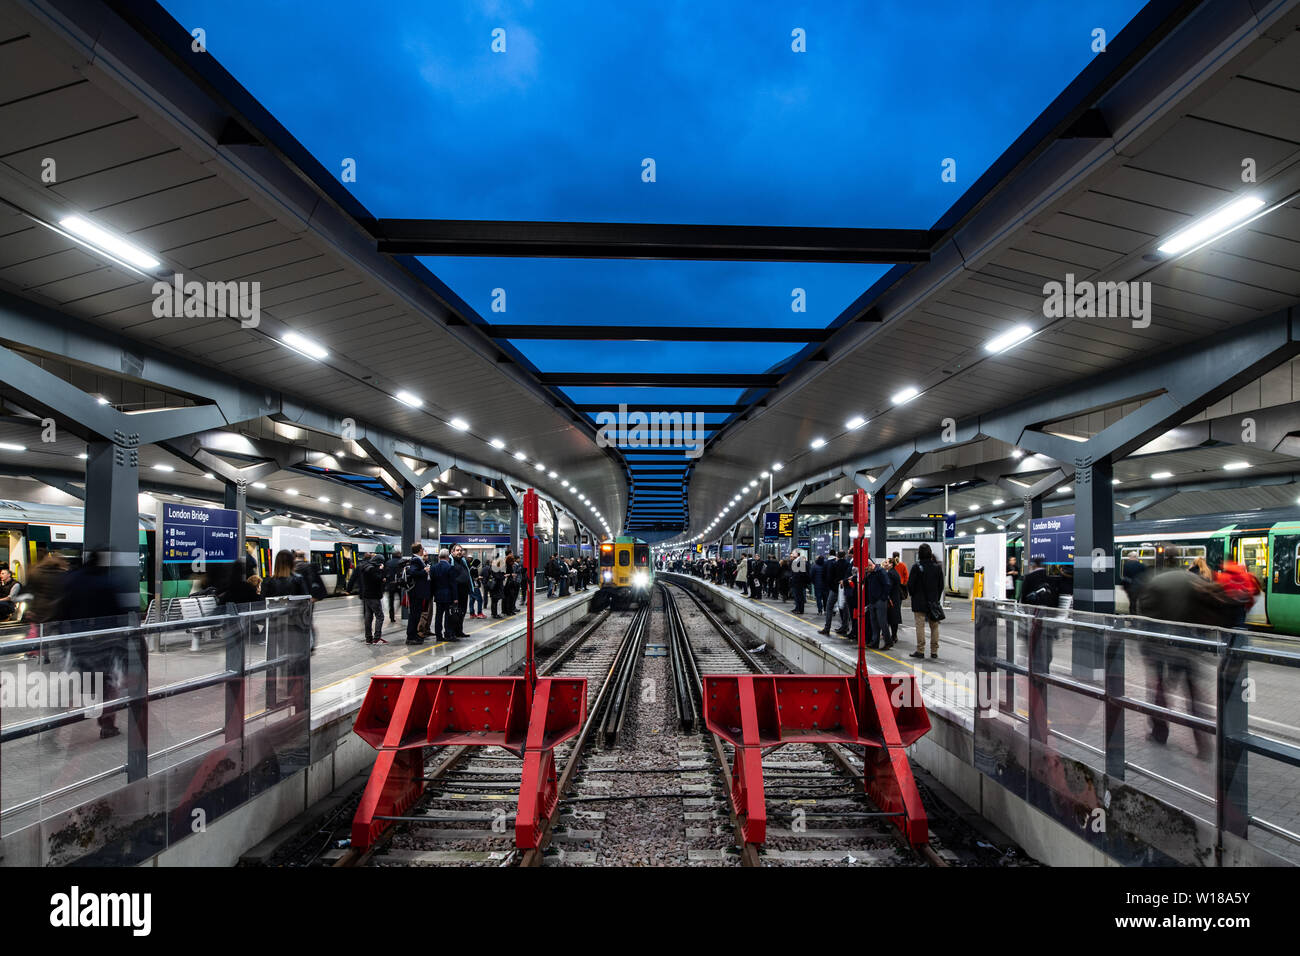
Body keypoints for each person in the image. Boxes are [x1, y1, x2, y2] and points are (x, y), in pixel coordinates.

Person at [908, 543, 944, 659]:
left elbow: (911, 585)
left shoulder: (916, 567)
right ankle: (934, 651)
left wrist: (914, 595)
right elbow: (941, 585)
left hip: (919, 602)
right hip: (933, 602)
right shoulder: (937, 567)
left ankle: (920, 650)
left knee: (920, 626)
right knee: (934, 627)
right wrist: (936, 598)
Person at [347, 552, 389, 644]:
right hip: (374, 595)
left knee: (368, 617)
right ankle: (377, 637)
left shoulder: (363, 567)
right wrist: (381, 572)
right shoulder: (372, 569)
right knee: (380, 616)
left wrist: (348, 589)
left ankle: (368, 638)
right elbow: (378, 579)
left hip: (366, 595)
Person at [404, 544, 430, 645]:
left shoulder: (418, 559)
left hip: (417, 592)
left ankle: (414, 635)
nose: (423, 550)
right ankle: (410, 636)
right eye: (422, 549)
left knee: (416, 614)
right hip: (416, 592)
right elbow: (413, 572)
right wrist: (424, 571)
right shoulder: (416, 560)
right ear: (420, 550)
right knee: (414, 614)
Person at [428, 549, 456, 642]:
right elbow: (453, 584)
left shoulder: (433, 568)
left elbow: (431, 583)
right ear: (448, 557)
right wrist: (455, 598)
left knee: (438, 616)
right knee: (448, 616)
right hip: (448, 596)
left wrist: (432, 594)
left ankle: (438, 635)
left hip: (438, 595)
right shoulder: (450, 568)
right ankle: (447, 634)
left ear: (439, 557)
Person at [1120, 550, 1149, 615]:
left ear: (1131, 557)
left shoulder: (1126, 565)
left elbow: (1125, 576)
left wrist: (1123, 586)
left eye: (1129, 557)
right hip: (1141, 587)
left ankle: (1133, 618)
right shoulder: (1142, 566)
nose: (1129, 558)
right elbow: (1145, 576)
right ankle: (1142, 615)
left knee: (1132, 603)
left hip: (1131, 587)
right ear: (1136, 557)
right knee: (1141, 602)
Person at [884, 557, 903, 648]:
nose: (885, 564)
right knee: (893, 617)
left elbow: (889, 586)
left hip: (892, 598)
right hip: (895, 597)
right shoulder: (893, 572)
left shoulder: (891, 574)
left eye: (887, 562)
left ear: (891, 564)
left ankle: (893, 636)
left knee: (892, 617)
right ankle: (893, 635)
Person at [384, 549, 404, 623]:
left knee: (391, 602)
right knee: (402, 600)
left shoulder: (388, 562)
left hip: (390, 585)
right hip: (399, 584)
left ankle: (391, 616)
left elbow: (385, 573)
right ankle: (400, 612)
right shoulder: (401, 562)